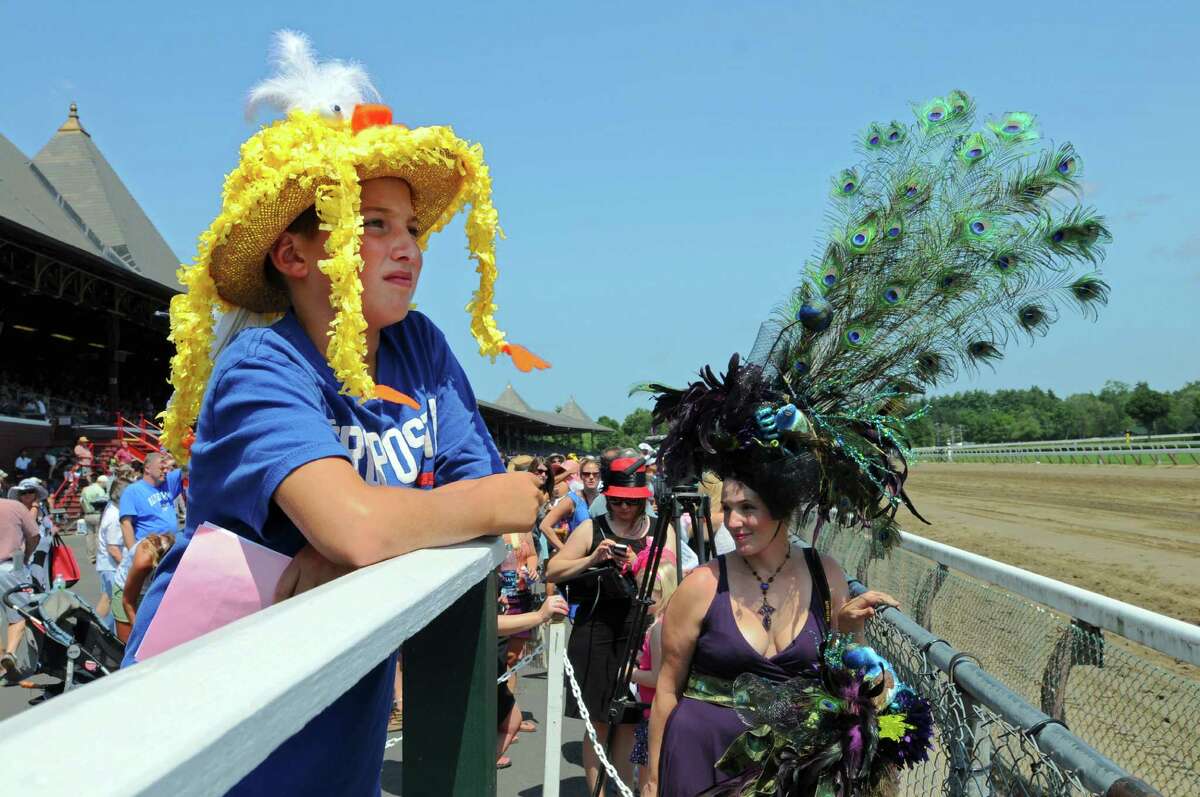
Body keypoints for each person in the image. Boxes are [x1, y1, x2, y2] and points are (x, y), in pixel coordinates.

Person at [121, 31, 546, 796]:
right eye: (372, 223)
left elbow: (506, 502)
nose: (407, 247)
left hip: (340, 714)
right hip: (217, 709)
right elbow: (374, 523)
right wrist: (366, 532)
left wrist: (357, 547)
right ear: (292, 255)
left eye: (412, 227)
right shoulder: (262, 366)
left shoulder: (419, 343)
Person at [547, 457, 675, 793]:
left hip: (641, 635)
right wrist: (592, 558)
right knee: (598, 725)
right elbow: (553, 570)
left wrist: (636, 565)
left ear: (643, 498)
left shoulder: (662, 531)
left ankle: (622, 790)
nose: (622, 508)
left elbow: (672, 585)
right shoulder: (592, 528)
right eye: (616, 500)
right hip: (596, 631)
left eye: (630, 501)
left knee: (630, 724)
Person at [629, 550, 678, 787]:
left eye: (647, 592)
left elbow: (658, 677)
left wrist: (628, 673)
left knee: (649, 780)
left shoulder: (658, 628)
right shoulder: (670, 621)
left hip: (653, 712)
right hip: (659, 711)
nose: (641, 597)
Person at [0, 481, 42, 679]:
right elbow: (34, 535)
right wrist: (26, 556)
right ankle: (10, 653)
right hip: (13, 562)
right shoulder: (15, 507)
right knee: (20, 611)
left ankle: (2, 661)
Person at [112, 533, 175, 642]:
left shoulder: (175, 547)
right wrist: (139, 633)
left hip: (149, 589)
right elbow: (128, 602)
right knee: (128, 644)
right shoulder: (144, 562)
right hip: (126, 593)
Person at [118, 452, 183, 548]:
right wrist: (133, 554)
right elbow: (126, 524)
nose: (165, 471)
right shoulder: (132, 491)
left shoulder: (168, 482)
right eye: (161, 468)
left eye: (166, 468)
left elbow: (189, 468)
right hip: (150, 551)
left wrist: (177, 459)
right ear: (147, 468)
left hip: (171, 545)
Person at [95, 475, 133, 631]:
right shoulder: (115, 517)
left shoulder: (113, 508)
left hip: (107, 566)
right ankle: (103, 632)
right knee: (115, 601)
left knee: (107, 599)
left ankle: (96, 630)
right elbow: (113, 548)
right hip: (112, 567)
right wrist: (128, 567)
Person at [80, 472, 108, 564]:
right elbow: (103, 502)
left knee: (89, 536)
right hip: (97, 514)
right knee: (98, 535)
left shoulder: (86, 489)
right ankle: (99, 555)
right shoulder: (100, 490)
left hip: (87, 514)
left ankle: (91, 557)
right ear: (102, 482)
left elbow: (81, 501)